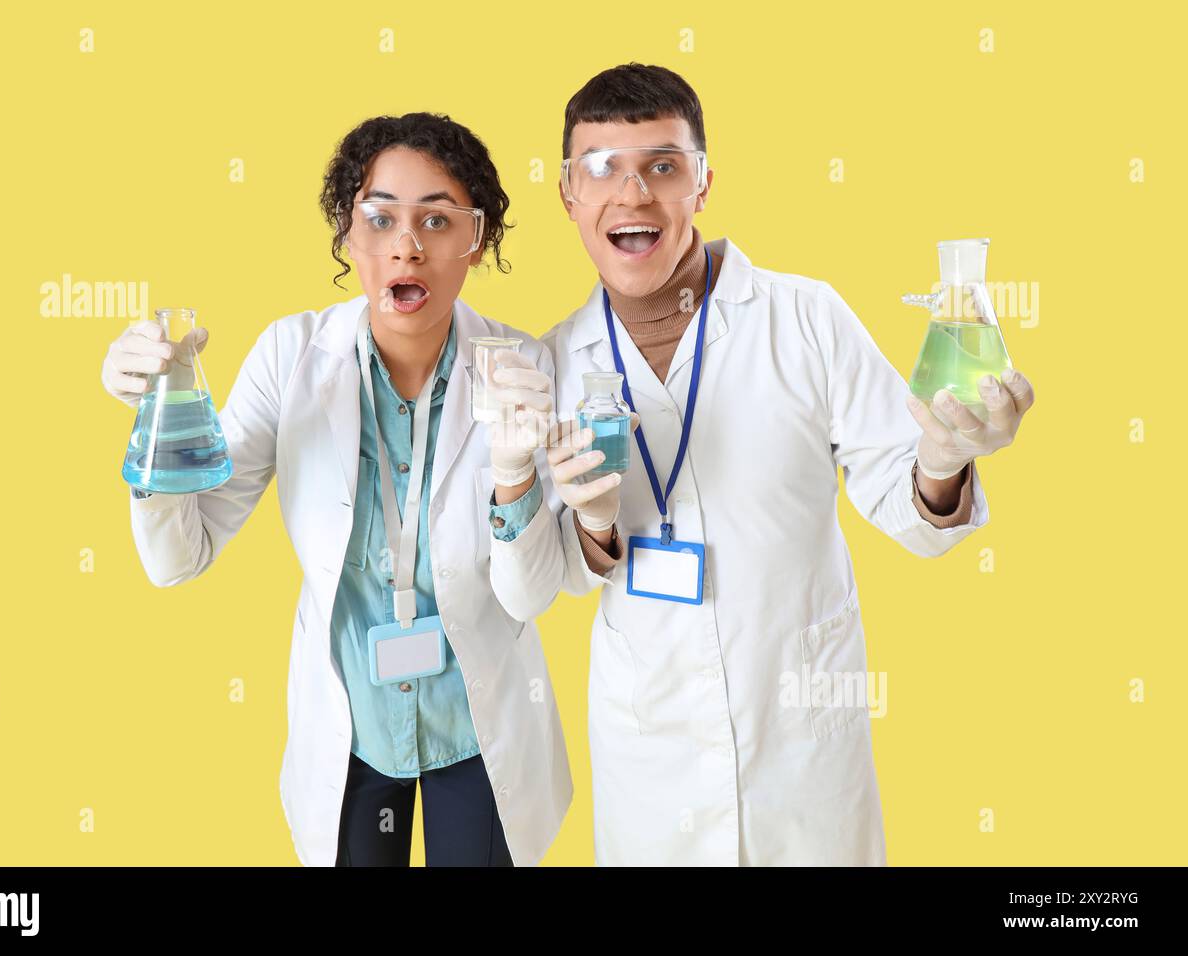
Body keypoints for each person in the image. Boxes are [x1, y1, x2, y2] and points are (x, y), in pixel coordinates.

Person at [488, 64, 1036, 865]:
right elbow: (544, 582)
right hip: (653, 757)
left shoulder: (805, 317)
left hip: (802, 747)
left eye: (663, 166)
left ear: (703, 183)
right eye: (602, 167)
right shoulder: (552, 363)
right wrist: (593, 529)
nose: (633, 193)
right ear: (568, 193)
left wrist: (942, 460)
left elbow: (905, 499)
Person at [100, 113, 571, 867]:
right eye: (379, 217)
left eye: (437, 220)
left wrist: (515, 472)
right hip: (353, 725)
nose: (406, 245)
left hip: (480, 724)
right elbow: (177, 559)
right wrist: (155, 423)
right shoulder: (290, 358)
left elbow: (530, 594)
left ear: (475, 240)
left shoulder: (522, 366)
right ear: (347, 235)